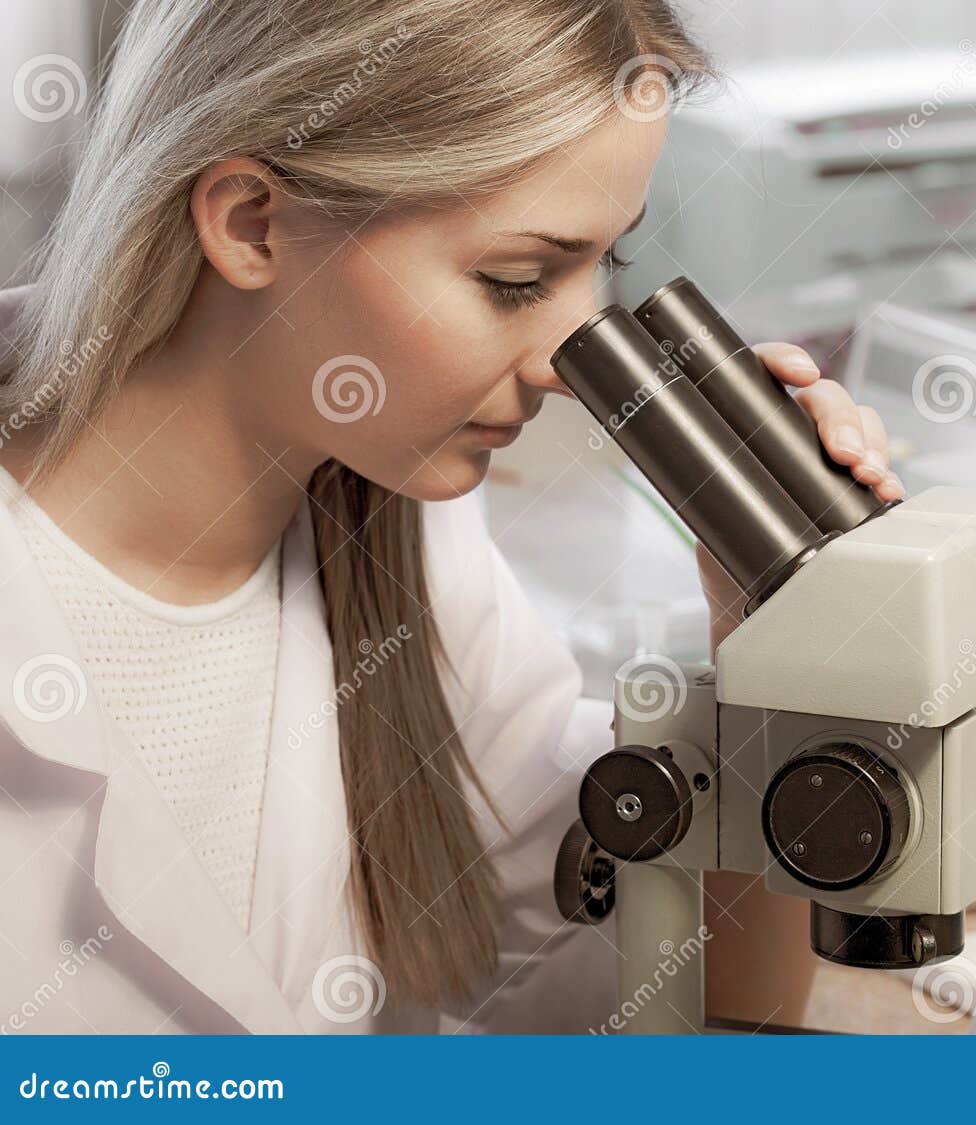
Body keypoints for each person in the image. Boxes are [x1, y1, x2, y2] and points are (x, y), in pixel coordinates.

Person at [0, 0, 900, 1034]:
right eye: (517, 279)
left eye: (605, 266)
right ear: (252, 222)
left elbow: (652, 1010)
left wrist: (773, 667)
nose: (572, 365)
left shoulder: (390, 526)